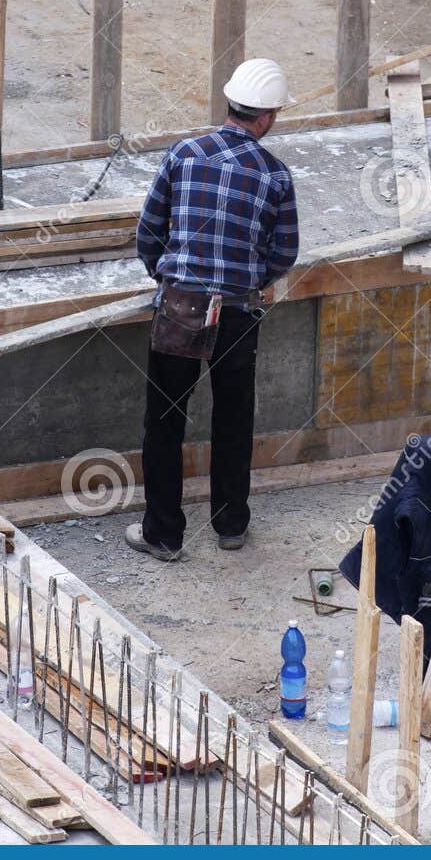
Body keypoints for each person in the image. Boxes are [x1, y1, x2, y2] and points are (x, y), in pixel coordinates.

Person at [125, 59, 300, 562]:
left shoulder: (183, 153)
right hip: (239, 313)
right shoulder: (274, 175)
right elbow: (283, 251)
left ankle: (163, 534)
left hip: (182, 305)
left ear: (230, 104)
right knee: (233, 416)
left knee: (164, 419)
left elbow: (149, 230)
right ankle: (230, 524)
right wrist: (248, 282)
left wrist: (167, 278)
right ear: (265, 117)